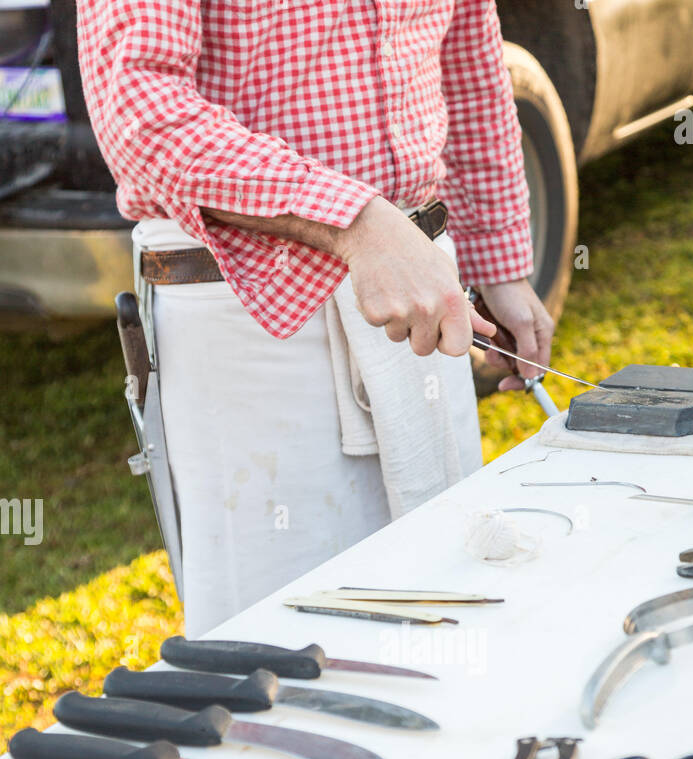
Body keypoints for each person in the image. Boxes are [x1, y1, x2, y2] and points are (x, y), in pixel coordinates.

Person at [78, 1, 553, 635]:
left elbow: (468, 52)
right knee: (289, 644)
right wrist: (354, 222)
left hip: (415, 290)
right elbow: (141, 113)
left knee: (450, 606)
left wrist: (499, 262)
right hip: (246, 307)